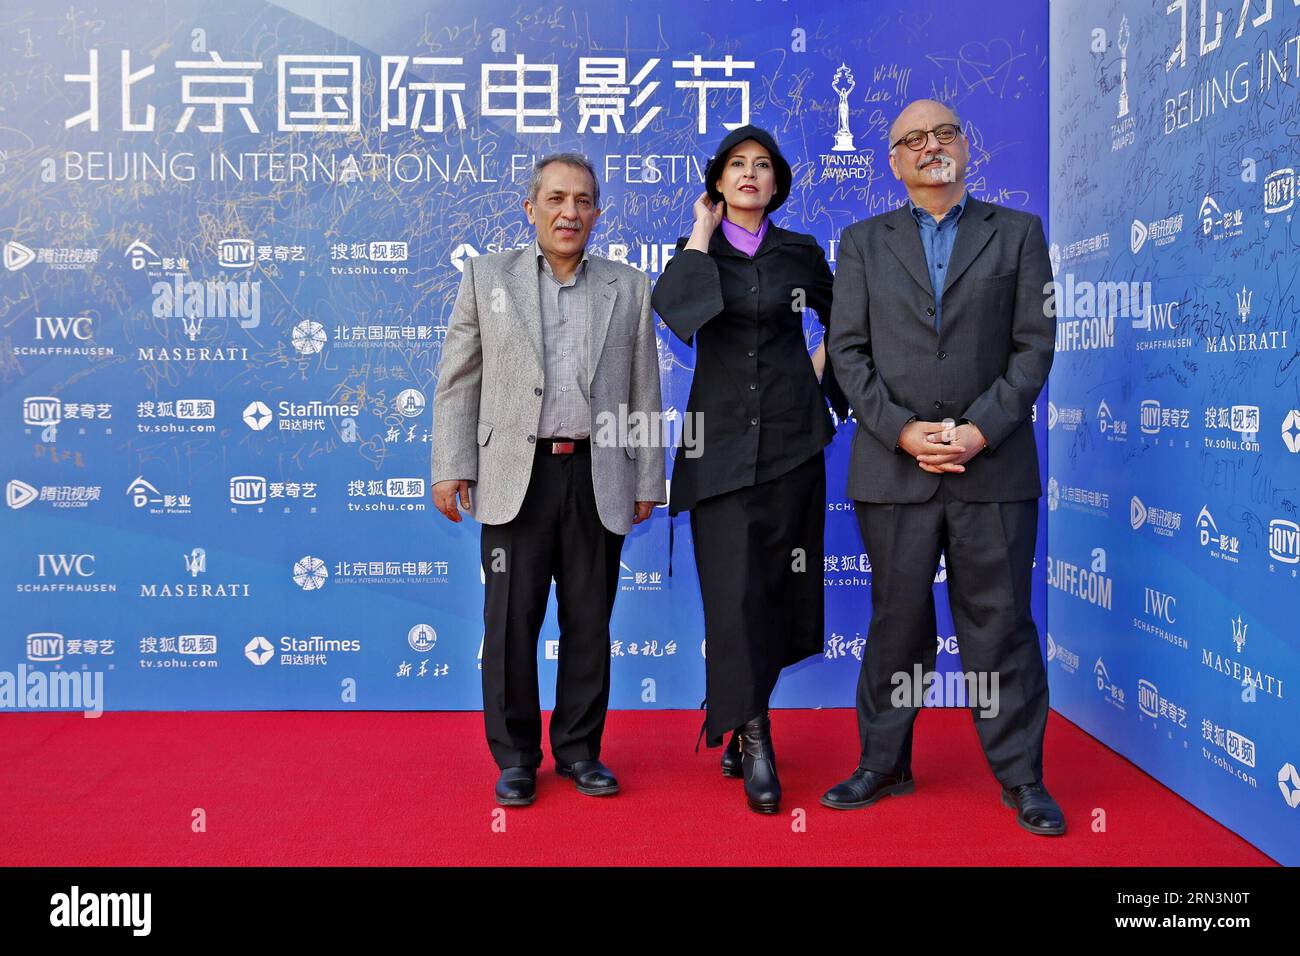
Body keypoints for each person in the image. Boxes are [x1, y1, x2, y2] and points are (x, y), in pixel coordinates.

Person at [824, 99, 1063, 835]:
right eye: (913, 139)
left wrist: (979, 431)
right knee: (897, 627)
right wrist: (901, 432)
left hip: (991, 469)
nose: (932, 146)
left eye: (945, 133)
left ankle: (1022, 777)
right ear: (894, 162)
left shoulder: (1018, 234)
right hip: (893, 469)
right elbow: (848, 352)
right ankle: (884, 763)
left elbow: (1034, 346)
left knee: (999, 627)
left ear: (968, 147)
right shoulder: (862, 242)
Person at [429, 153, 665, 807]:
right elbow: (457, 380)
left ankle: (581, 752)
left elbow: (645, 390)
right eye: (556, 199)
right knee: (509, 624)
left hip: (598, 474)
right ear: (530, 207)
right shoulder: (486, 277)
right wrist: (452, 465)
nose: (570, 212)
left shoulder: (627, 286)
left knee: (590, 620)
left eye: (583, 200)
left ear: (597, 211)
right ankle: (515, 758)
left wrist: (649, 474)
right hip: (516, 474)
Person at [652, 125, 848, 814]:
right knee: (733, 596)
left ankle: (739, 718)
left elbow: (849, 327)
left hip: (794, 447)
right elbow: (680, 315)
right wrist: (701, 232)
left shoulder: (800, 252)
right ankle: (755, 733)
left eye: (762, 166)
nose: (750, 174)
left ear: (777, 183)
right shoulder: (694, 255)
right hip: (720, 451)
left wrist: (818, 383)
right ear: (718, 180)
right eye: (737, 165)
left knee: (776, 593)